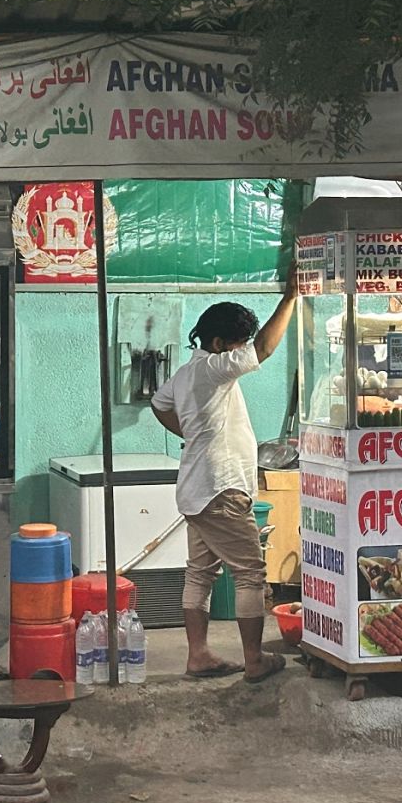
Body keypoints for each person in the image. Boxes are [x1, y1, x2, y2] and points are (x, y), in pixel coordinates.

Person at [150, 278, 297, 684]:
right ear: (218, 344)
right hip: (221, 489)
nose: (242, 349)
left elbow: (158, 405)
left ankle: (199, 656)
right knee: (250, 572)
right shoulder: (215, 368)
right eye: (237, 342)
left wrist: (194, 434)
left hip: (198, 489)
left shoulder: (185, 374)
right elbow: (264, 349)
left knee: (200, 572)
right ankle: (254, 659)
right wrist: (290, 297)